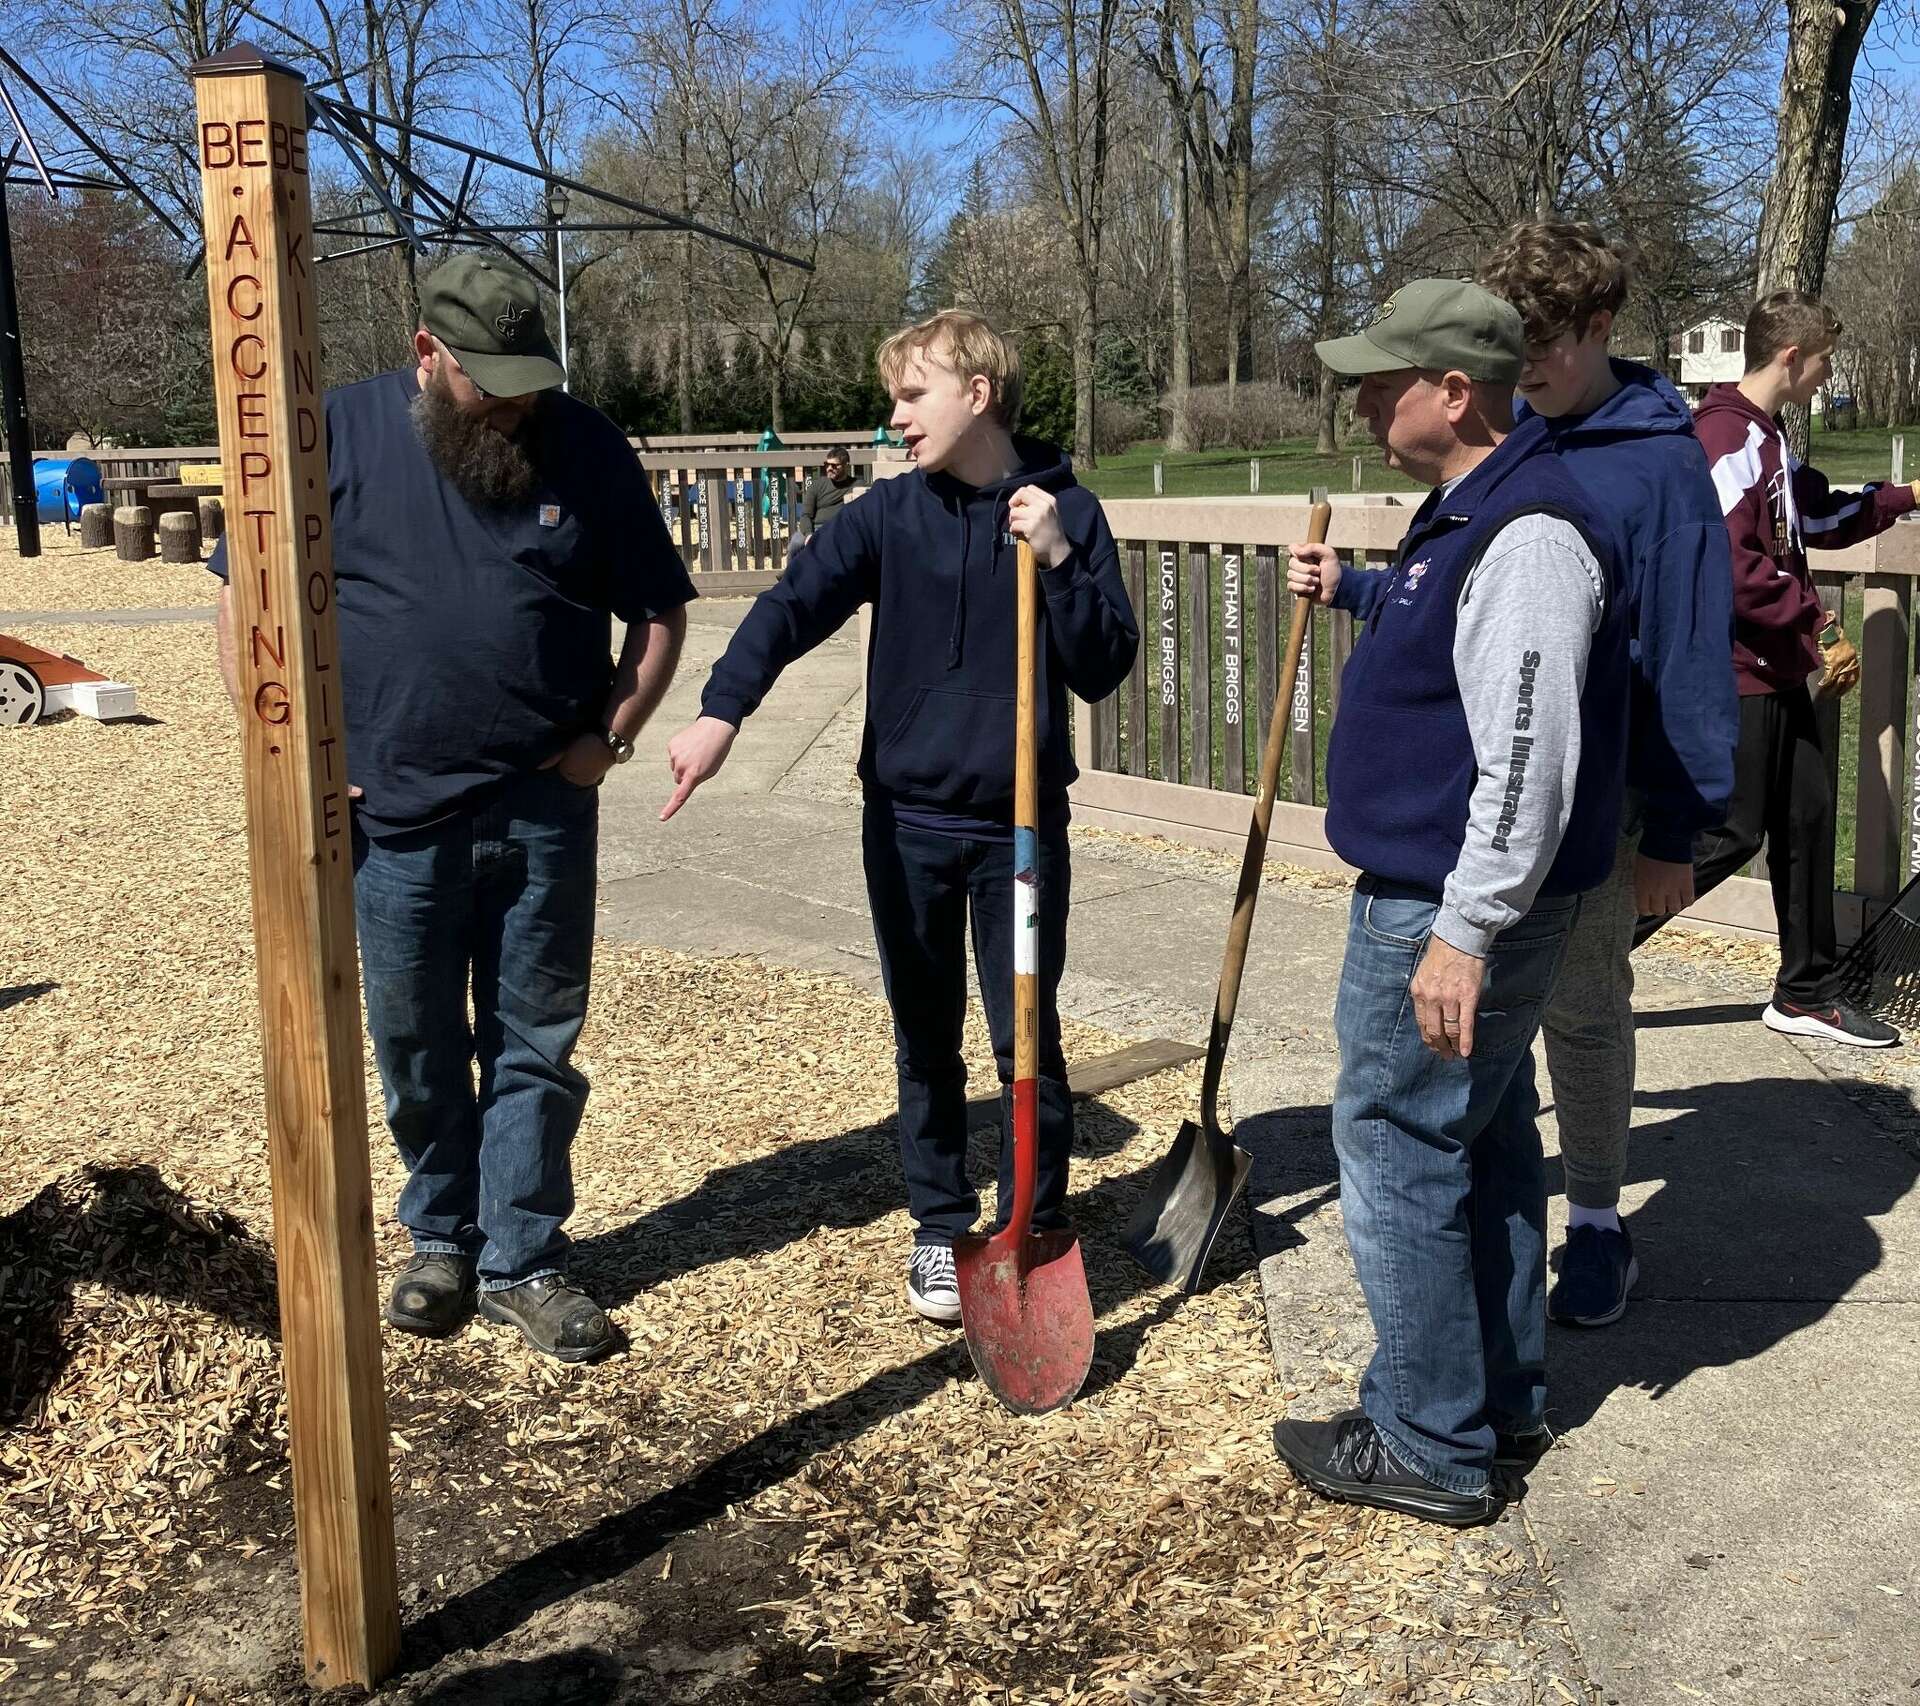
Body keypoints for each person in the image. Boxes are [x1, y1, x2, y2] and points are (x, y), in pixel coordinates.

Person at [211, 255, 694, 1363]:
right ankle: (441, 1236)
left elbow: (660, 609)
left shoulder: (586, 443)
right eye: (491, 382)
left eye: (529, 382)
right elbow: (248, 595)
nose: (515, 404)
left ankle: (524, 1256)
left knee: (535, 1039)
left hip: (542, 807)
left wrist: (608, 737)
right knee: (417, 1038)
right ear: (427, 352)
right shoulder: (331, 434)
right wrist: (291, 749)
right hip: (398, 815)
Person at [660, 310, 1137, 1324]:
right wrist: (720, 711)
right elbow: (792, 604)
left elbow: (1105, 663)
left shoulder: (1070, 512)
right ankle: (938, 1218)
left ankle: (1033, 1219)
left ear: (979, 392)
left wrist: (1054, 557)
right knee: (925, 1031)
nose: (894, 417)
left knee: (1025, 1032)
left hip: (1018, 827)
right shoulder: (887, 517)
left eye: (912, 394)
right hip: (907, 820)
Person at [1272, 279, 1629, 1526]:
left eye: (1381, 379)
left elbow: (1531, 757)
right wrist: (1360, 592)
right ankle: (1498, 1396)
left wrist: (1462, 932)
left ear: (1454, 392)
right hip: (1448, 892)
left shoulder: (1527, 533)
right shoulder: (1470, 512)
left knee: (1396, 1143)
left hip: (1445, 901)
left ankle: (1429, 1436)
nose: (1362, 398)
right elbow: (1460, 642)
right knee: (1475, 1135)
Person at [1476, 222, 1738, 1329]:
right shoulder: (1513, 439)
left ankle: (1594, 1220)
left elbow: (1688, 646)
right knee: (1481, 1001)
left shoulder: (1663, 460)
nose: (1526, 365)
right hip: (1499, 781)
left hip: (1608, 791)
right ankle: (1491, 1206)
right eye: (1511, 344)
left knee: (1583, 1008)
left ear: (1601, 327)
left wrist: (1675, 828)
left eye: (1546, 343)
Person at [1641, 291, 1919, 1047]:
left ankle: (1806, 992)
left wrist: (1910, 494)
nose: (1828, 374)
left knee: (1807, 817)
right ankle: (1583, 951)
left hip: (1778, 668)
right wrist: (1821, 623)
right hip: (1735, 671)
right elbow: (1729, 568)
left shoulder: (1767, 440)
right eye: (1825, 359)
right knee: (1729, 832)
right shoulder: (1725, 437)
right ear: (1792, 357)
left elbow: (1818, 517)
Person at [793, 445, 856, 543]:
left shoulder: (857, 486)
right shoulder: (817, 485)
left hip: (841, 530)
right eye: (827, 464)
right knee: (795, 544)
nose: (829, 468)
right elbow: (806, 515)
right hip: (816, 529)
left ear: (846, 466)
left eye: (834, 465)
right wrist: (809, 535)